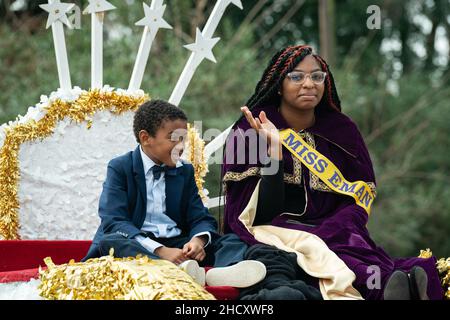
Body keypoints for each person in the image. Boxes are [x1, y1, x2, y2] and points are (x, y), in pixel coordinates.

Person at [221, 45, 444, 300]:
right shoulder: (250, 130)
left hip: (338, 226)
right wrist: (274, 150)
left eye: (317, 77)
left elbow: (359, 198)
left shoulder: (342, 130)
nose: (309, 84)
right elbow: (254, 214)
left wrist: (341, 223)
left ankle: (402, 286)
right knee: (333, 258)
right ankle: (390, 290)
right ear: (279, 85)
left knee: (355, 250)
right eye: (297, 77)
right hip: (276, 230)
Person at [83, 99, 266, 288]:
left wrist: (197, 241)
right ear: (146, 138)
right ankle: (175, 270)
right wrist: (161, 251)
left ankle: (220, 273)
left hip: (178, 245)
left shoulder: (184, 171)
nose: (181, 146)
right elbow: (113, 220)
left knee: (231, 240)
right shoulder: (120, 167)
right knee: (111, 242)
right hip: (140, 244)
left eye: (183, 139)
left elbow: (199, 217)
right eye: (174, 138)